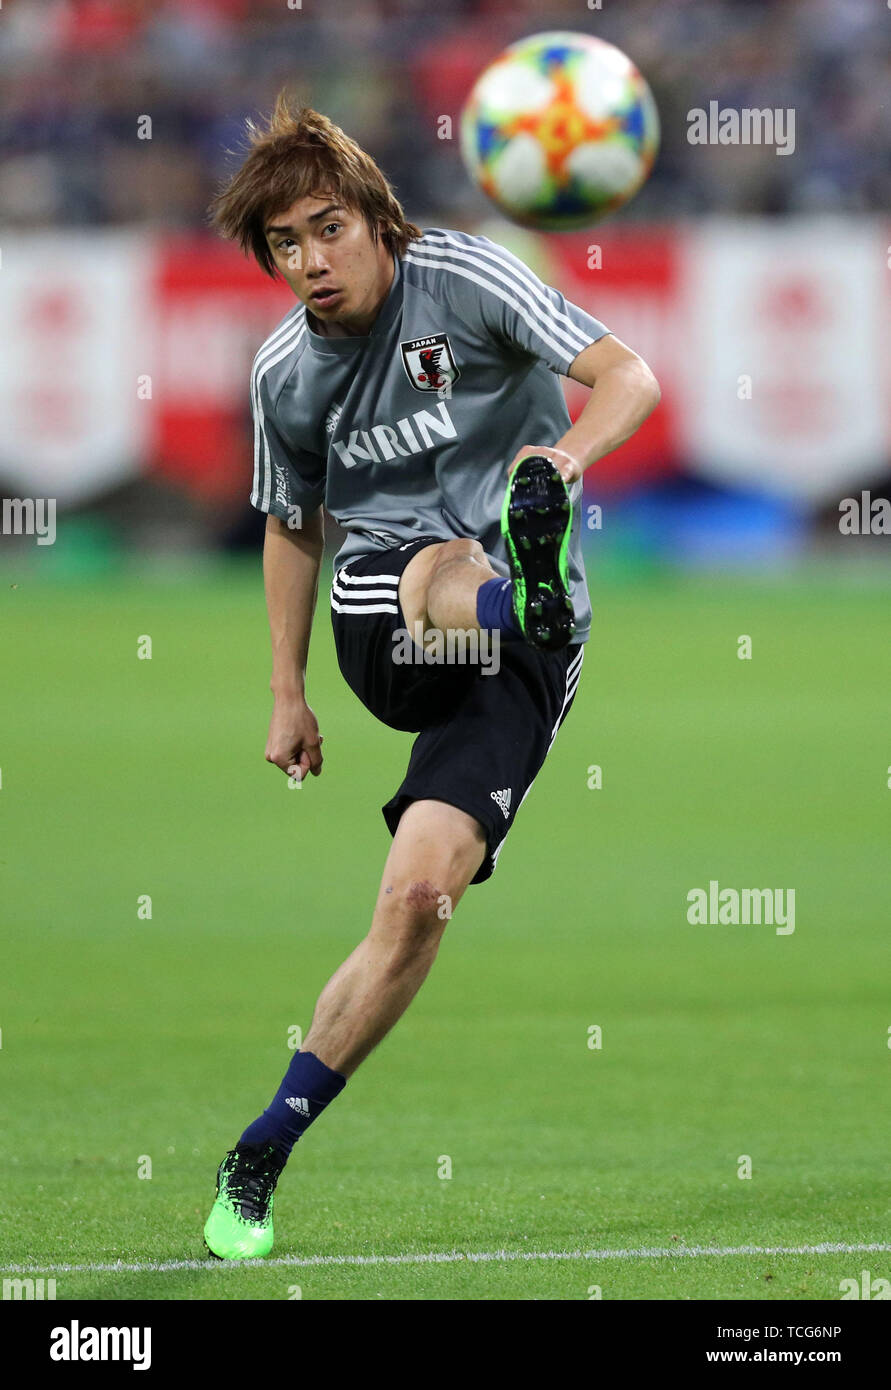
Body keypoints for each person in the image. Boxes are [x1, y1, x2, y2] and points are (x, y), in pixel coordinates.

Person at [203, 94, 660, 1259]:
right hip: (389, 627)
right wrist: (284, 692)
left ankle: (258, 1153)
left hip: (512, 657)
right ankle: (521, 582)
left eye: (325, 230)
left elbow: (631, 379)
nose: (308, 261)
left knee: (415, 905)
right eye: (283, 245)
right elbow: (294, 525)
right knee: (438, 558)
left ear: (378, 221)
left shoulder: (467, 276)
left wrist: (560, 454)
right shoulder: (283, 376)